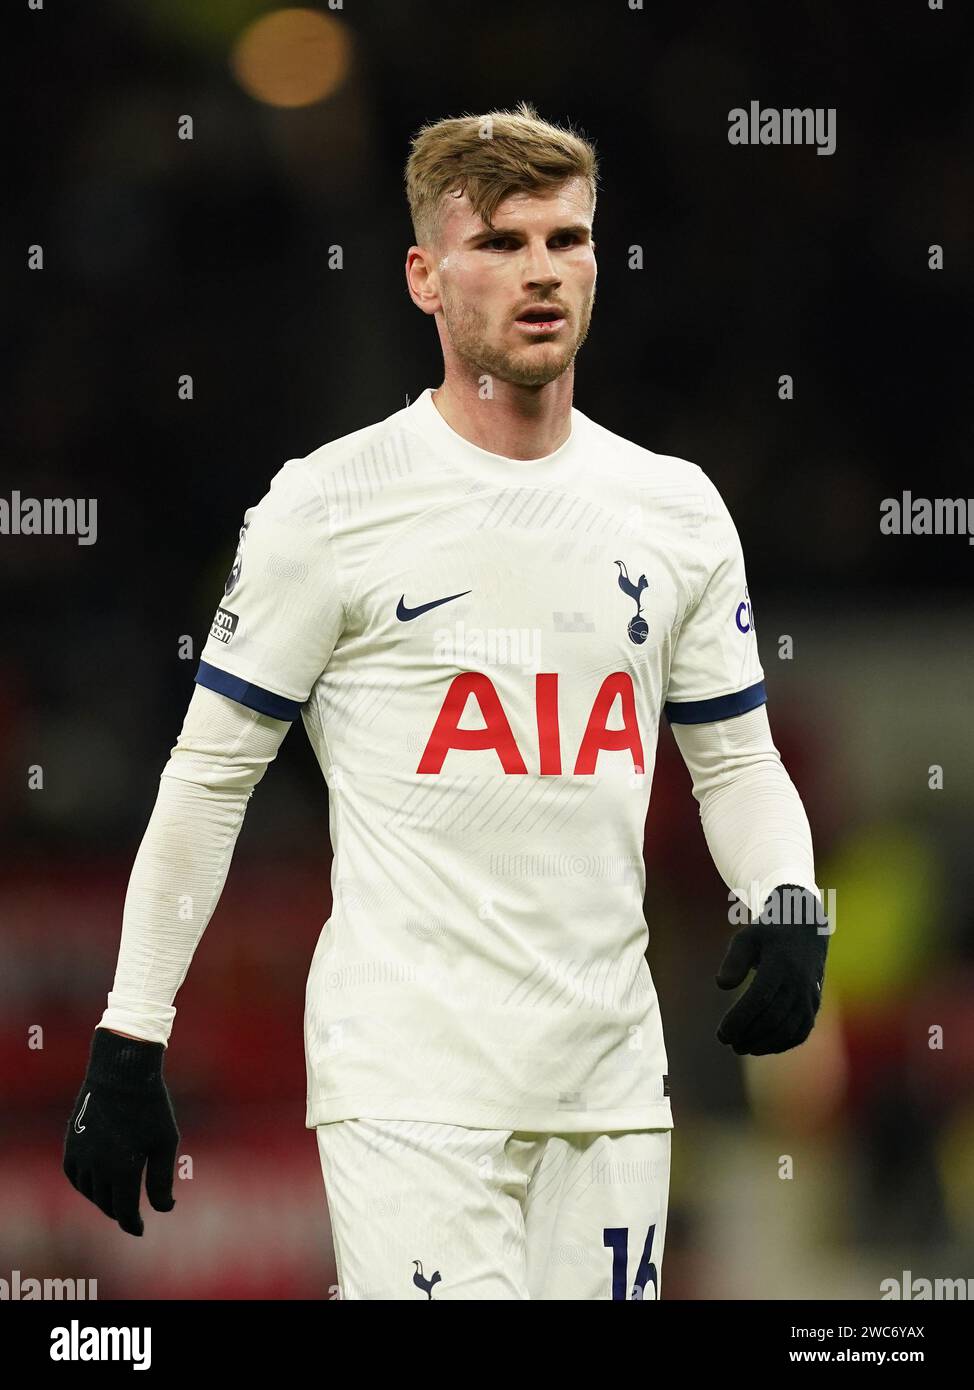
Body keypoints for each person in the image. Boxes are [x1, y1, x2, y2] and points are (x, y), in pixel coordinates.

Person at [63, 102, 829, 1300]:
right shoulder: (327, 508)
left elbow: (734, 763)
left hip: (611, 1087)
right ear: (423, 277)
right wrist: (129, 1031)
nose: (541, 272)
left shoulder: (673, 507)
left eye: (565, 241)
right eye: (500, 242)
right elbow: (212, 775)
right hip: (411, 1088)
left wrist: (786, 898)